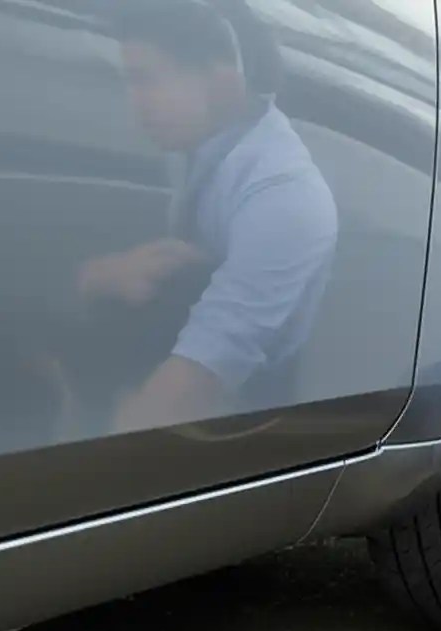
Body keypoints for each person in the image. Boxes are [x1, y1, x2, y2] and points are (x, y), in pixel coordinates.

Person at [76, 0, 337, 433]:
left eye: (148, 80)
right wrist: (104, 275)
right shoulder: (205, 140)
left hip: (236, 417)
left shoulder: (285, 199)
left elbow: (196, 380)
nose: (135, 103)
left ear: (223, 79)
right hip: (167, 340)